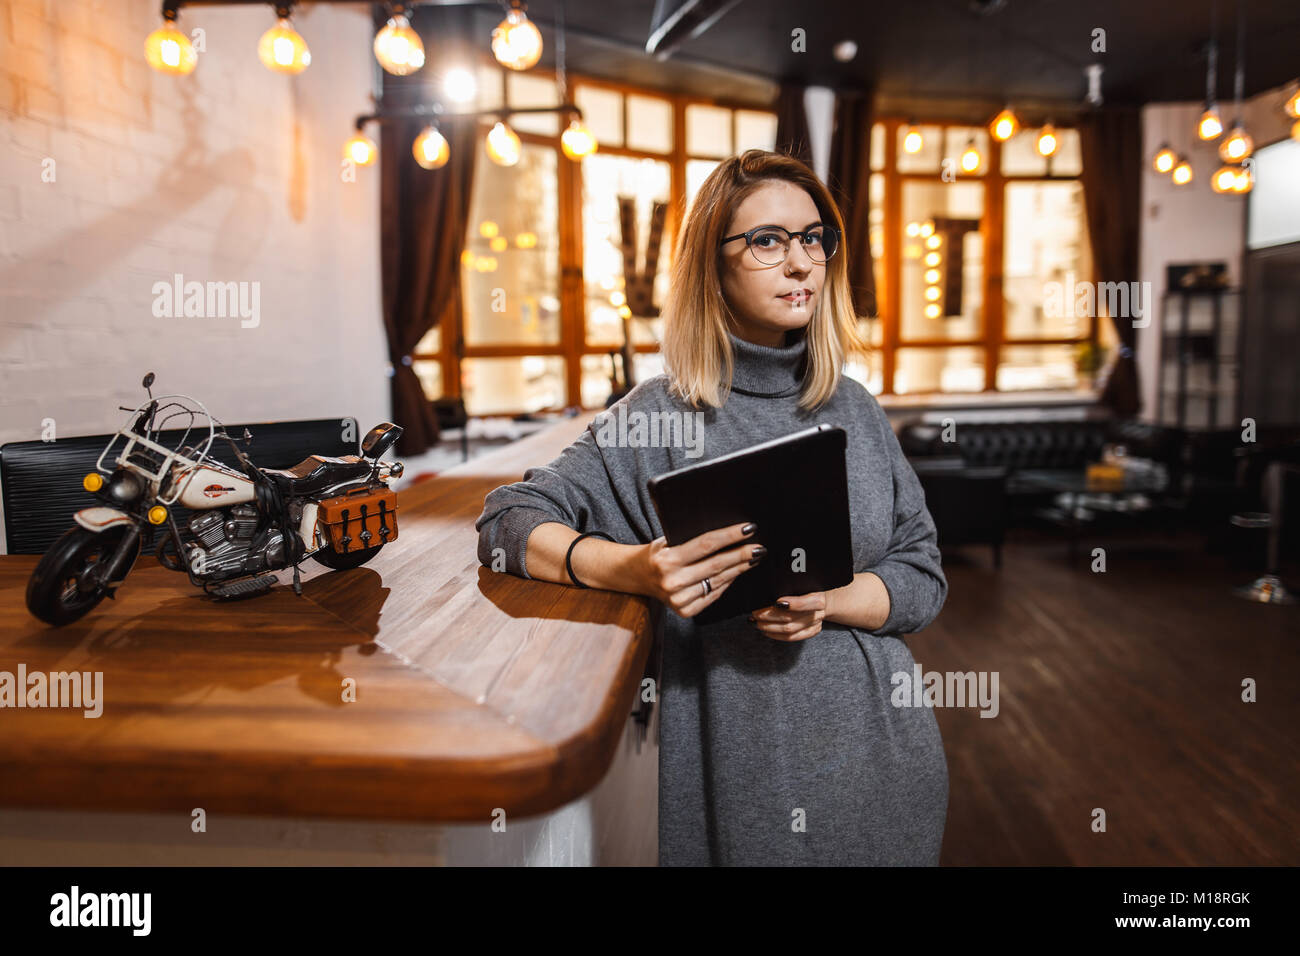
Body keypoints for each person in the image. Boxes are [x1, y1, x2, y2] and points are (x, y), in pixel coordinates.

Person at [475, 148, 949, 866]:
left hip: (886, 761)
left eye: (812, 237)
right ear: (711, 263)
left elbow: (923, 574)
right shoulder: (654, 417)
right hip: (739, 777)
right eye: (768, 241)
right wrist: (634, 569)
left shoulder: (855, 408)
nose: (802, 263)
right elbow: (505, 522)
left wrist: (828, 599)